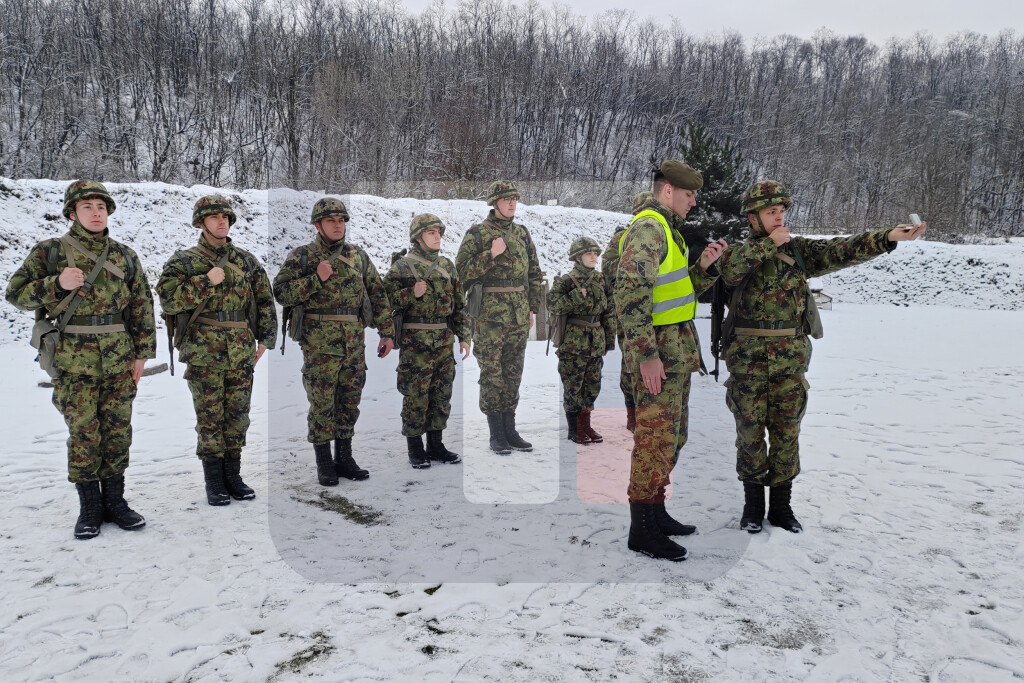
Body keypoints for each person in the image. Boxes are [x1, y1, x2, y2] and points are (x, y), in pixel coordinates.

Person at [718, 180, 926, 534]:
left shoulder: (798, 252)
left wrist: (888, 237)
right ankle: (752, 507)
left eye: (782, 211)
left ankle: (781, 508)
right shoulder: (735, 254)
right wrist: (770, 245)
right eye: (772, 212)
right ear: (753, 219)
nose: (780, 217)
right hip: (747, 365)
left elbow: (843, 249)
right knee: (749, 435)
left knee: (787, 433)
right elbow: (730, 273)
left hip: (790, 363)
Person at [6, 180, 156, 539]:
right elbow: (15, 294)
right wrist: (56, 283)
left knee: (118, 434)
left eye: (101, 206)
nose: (96, 212)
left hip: (119, 359)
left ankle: (116, 503)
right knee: (85, 435)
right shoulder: (51, 252)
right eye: (87, 206)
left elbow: (142, 306)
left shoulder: (124, 255)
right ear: (72, 212)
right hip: (74, 361)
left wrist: (142, 354)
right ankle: (90, 508)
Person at [615, 161, 727, 561]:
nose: (694, 202)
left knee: (671, 437)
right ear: (667, 191)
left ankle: (656, 512)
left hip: (675, 352)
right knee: (654, 440)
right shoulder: (649, 228)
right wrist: (646, 356)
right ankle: (641, 529)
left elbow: (677, 296)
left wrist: (704, 268)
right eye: (689, 195)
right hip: (658, 354)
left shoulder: (668, 232)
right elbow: (630, 296)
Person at [156, 195, 277, 506]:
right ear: (201, 222)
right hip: (203, 351)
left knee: (237, 416)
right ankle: (214, 481)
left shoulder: (247, 261)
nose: (221, 221)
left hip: (240, 349)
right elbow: (169, 301)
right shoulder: (184, 261)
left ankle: (233, 476)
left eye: (225, 216)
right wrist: (204, 282)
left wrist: (265, 339)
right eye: (214, 217)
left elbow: (264, 301)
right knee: (211, 418)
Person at [273, 197, 395, 485]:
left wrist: (387, 332)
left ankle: (345, 458)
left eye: (341, 220)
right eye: (331, 220)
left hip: (354, 341)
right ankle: (324, 462)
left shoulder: (358, 256)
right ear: (318, 225)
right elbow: (281, 293)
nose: (337, 225)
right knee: (322, 402)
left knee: (350, 401)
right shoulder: (302, 256)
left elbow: (378, 295)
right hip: (319, 344)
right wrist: (315, 279)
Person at [455, 181, 543, 454]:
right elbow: (461, 273)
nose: (512, 203)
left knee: (514, 373)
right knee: (492, 374)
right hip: (489, 316)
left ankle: (510, 429)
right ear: (494, 203)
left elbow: (534, 272)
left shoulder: (522, 233)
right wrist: (489, 255)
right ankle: (496, 433)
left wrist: (532, 306)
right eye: (506, 199)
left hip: (518, 313)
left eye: (514, 198)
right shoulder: (477, 234)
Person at [384, 214, 472, 468]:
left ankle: (436, 445)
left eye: (439, 232)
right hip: (416, 344)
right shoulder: (402, 266)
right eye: (431, 232)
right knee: (416, 395)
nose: (437, 237)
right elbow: (383, 301)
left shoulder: (447, 265)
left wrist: (464, 336)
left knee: (441, 394)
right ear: (418, 236)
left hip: (444, 341)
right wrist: (410, 293)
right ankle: (415, 448)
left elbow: (459, 305)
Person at [547, 236, 614, 444]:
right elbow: (552, 304)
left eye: (595, 253)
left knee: (592, 386)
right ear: (577, 258)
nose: (593, 257)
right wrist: (574, 297)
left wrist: (609, 340)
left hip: (596, 341)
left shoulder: (602, 280)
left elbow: (609, 311)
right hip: (574, 344)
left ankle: (586, 425)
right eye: (588, 253)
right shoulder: (566, 281)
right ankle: (574, 429)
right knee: (573, 386)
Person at [602, 191, 653, 433]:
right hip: (630, 311)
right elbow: (608, 267)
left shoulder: (665, 236)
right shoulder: (623, 237)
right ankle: (632, 413)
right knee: (631, 363)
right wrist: (631, 262)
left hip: (659, 312)